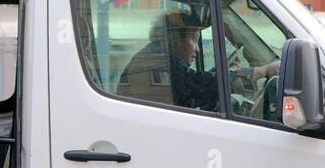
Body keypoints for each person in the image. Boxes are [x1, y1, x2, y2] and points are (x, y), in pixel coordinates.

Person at [118, 9, 278, 112]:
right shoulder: (160, 61)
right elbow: (198, 84)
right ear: (174, 39)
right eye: (194, 40)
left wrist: (224, 72)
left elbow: (195, 83)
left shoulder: (158, 55)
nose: (198, 49)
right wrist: (262, 71)